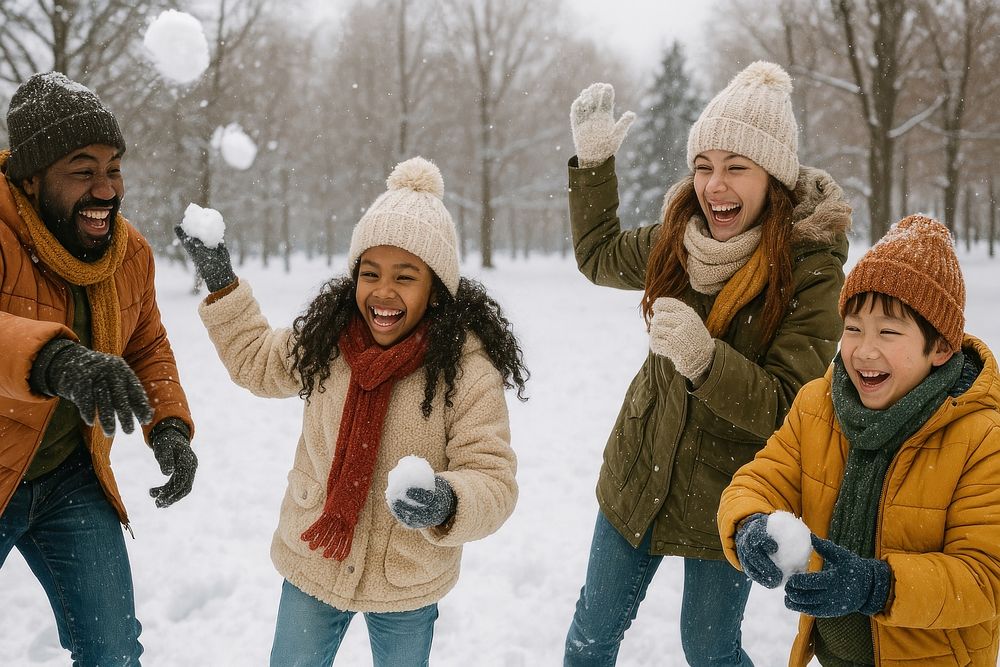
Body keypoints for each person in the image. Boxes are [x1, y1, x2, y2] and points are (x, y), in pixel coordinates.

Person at [175, 156, 528, 667]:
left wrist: (447, 501)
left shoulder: (466, 371)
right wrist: (222, 284)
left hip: (407, 575)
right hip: (314, 559)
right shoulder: (328, 342)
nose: (383, 291)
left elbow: (493, 478)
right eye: (371, 273)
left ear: (435, 290)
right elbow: (257, 361)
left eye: (405, 277)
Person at [564, 61, 852, 665]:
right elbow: (596, 256)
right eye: (704, 166)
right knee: (590, 635)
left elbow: (790, 405)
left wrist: (704, 359)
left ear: (773, 178)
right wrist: (594, 168)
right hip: (640, 467)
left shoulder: (810, 270)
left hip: (730, 487)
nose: (714, 186)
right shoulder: (679, 238)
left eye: (736, 168)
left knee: (710, 648)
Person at [719, 214, 1000, 667]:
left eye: (889, 331)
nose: (864, 350)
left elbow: (987, 578)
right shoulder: (819, 405)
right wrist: (749, 525)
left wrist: (879, 586)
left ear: (941, 348)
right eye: (853, 328)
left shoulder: (981, 438)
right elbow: (760, 479)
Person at [0, 72, 198, 664]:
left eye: (113, 168)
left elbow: (146, 342)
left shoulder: (127, 251)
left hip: (69, 479)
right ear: (31, 179)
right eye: (83, 170)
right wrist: (56, 360)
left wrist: (169, 427)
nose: (106, 189)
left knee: (113, 651)